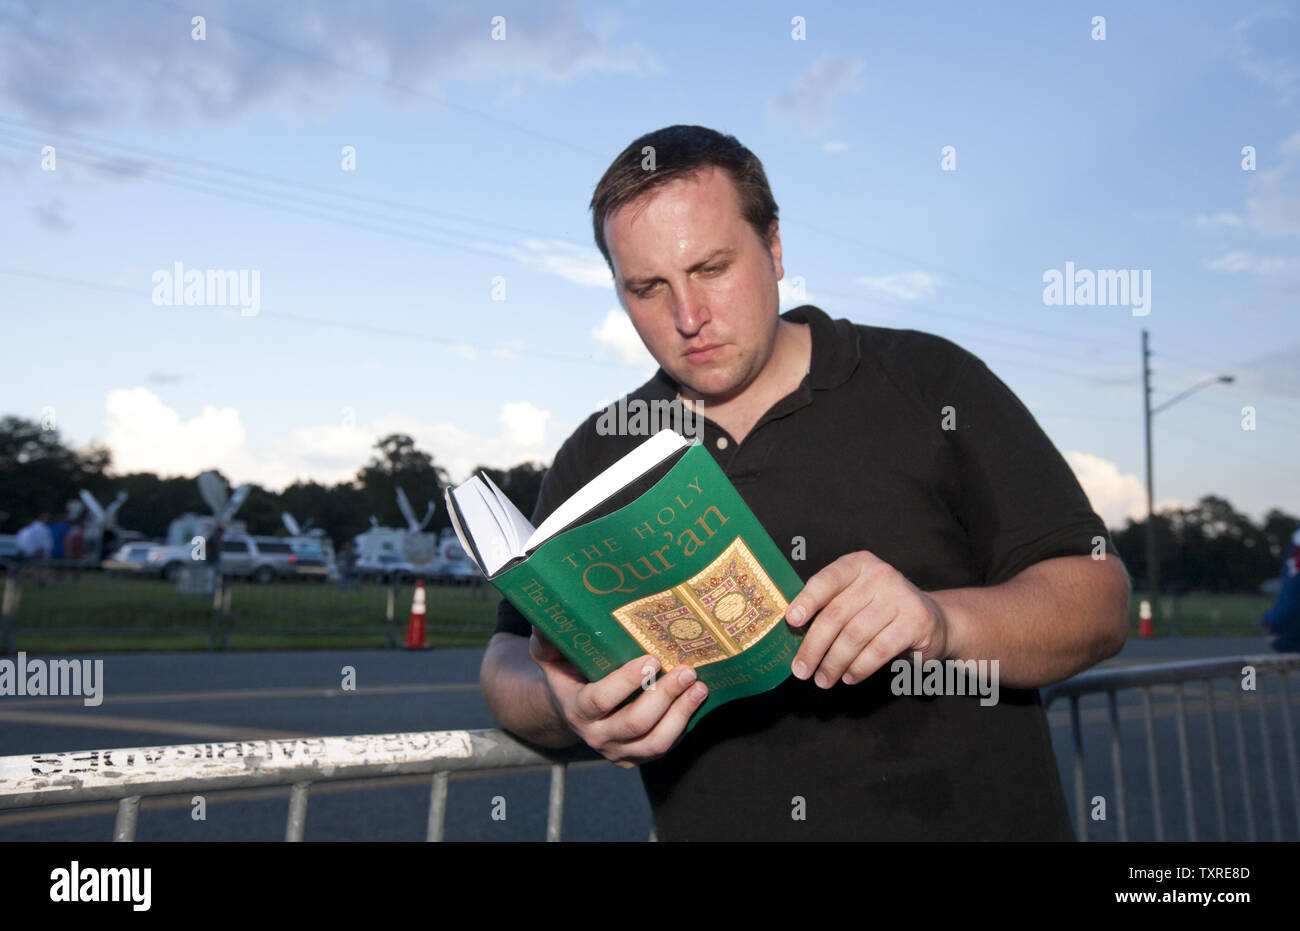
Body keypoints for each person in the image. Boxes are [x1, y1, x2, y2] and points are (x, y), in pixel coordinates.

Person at [478, 125, 1132, 841]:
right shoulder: (598, 453)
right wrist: (557, 696)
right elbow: (507, 658)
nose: (688, 317)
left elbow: (1098, 599)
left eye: (712, 268)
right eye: (647, 287)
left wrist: (945, 625)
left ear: (776, 246)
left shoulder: (930, 382)